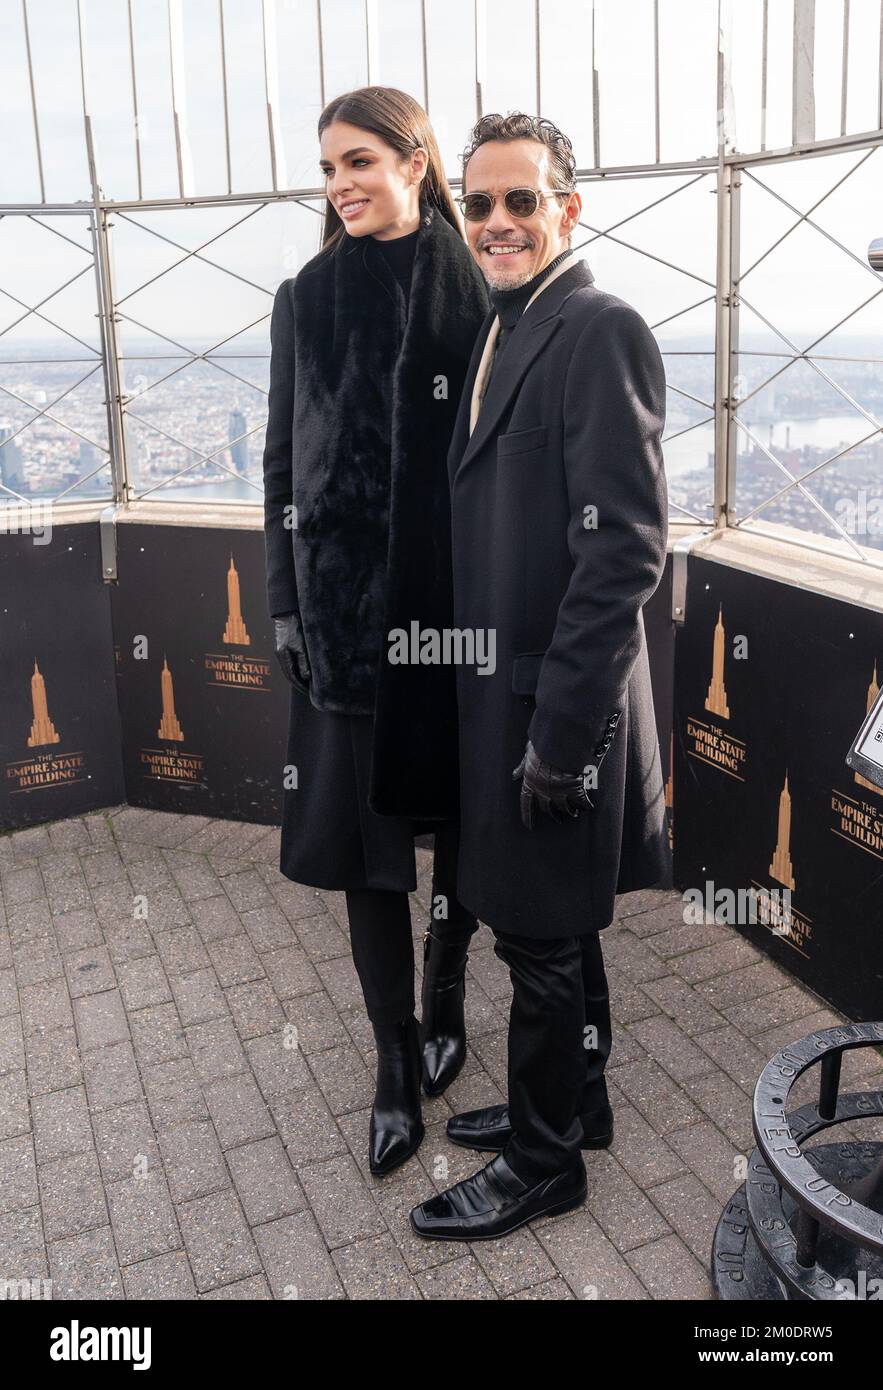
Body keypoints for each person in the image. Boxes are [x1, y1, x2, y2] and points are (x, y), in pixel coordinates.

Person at [409, 113, 671, 1241]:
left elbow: (623, 552)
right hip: (507, 694)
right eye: (479, 203)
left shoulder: (596, 325)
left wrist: (562, 739)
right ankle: (581, 1101)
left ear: (570, 207)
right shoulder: (508, 326)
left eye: (523, 199)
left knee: (536, 937)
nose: (499, 221)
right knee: (557, 921)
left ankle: (543, 1158)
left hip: (559, 707)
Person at [262, 86, 488, 1177]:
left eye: (358, 161)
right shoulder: (305, 297)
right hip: (346, 618)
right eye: (327, 169)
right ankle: (395, 1064)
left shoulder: (483, 279)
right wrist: (284, 602)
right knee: (366, 856)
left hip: (454, 617)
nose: (340, 184)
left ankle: (447, 987)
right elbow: (278, 463)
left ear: (414, 159)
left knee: (458, 826)